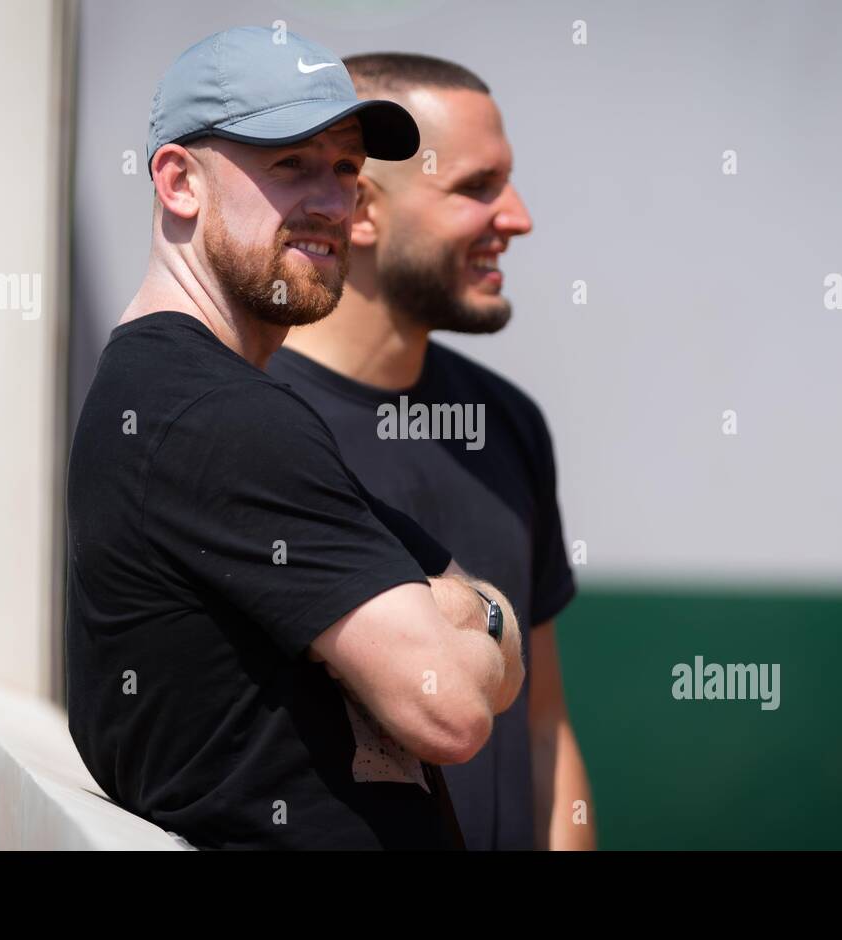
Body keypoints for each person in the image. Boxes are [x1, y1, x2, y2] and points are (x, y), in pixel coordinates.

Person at [65, 27, 524, 850]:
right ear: (179, 183)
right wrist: (483, 613)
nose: (332, 202)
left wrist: (449, 614)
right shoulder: (216, 415)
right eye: (290, 164)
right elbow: (452, 710)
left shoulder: (184, 394)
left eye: (346, 168)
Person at [268, 53, 595, 850]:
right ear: (365, 211)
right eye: (477, 188)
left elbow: (543, 727)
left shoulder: (509, 422)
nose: (516, 217)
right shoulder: (251, 424)